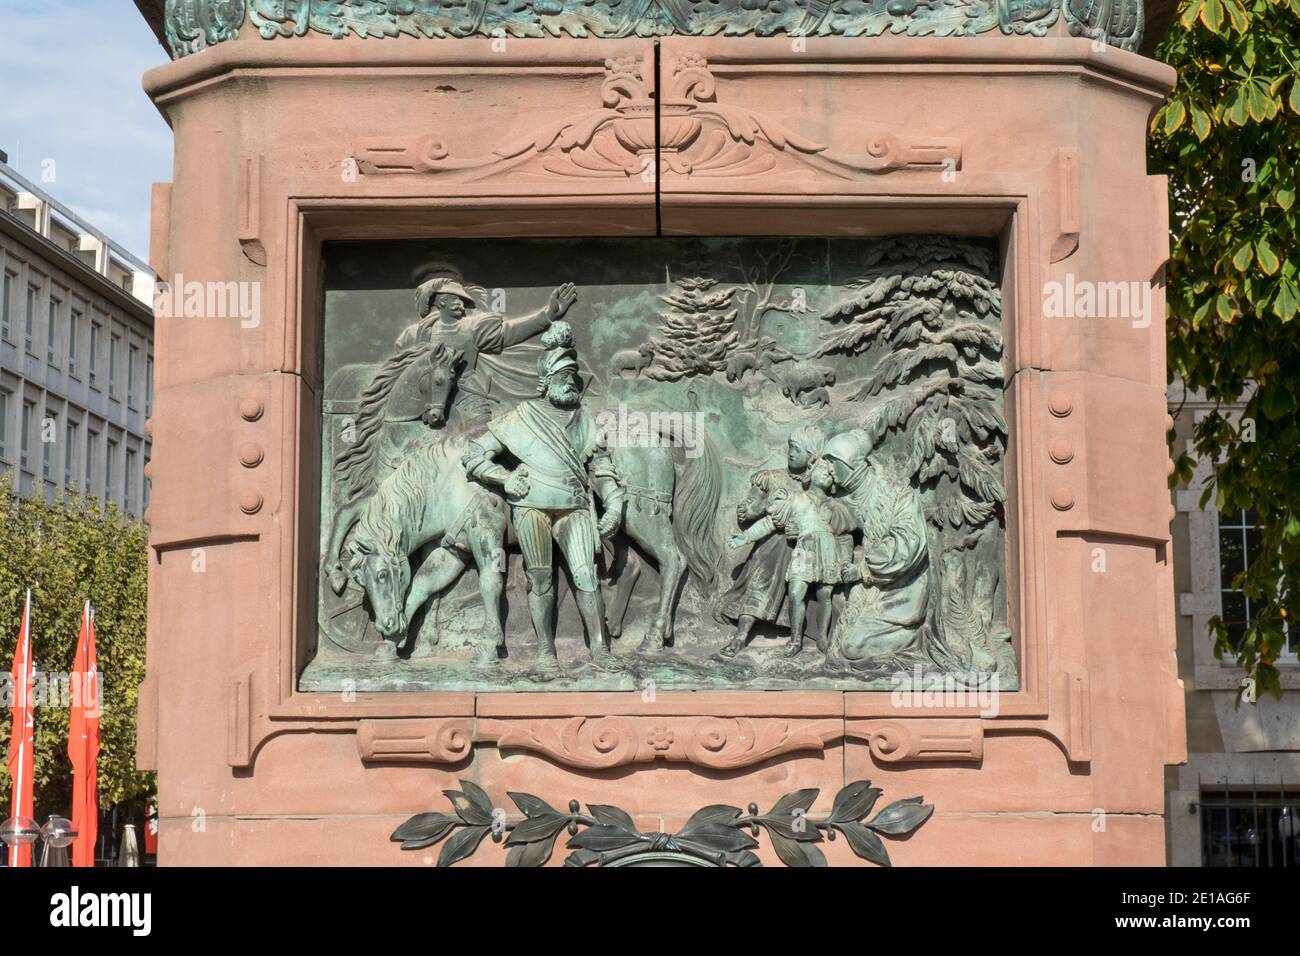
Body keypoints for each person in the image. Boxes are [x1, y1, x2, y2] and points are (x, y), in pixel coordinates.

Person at [462, 323, 627, 674]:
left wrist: (614, 504)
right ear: (546, 379)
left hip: (575, 507)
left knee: (586, 576)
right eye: (563, 375)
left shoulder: (585, 420)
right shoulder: (522, 417)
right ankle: (544, 652)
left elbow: (602, 467)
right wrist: (505, 478)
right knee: (540, 580)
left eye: (574, 376)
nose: (570, 381)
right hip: (532, 507)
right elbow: (474, 455)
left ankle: (600, 649)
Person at [397, 272, 579, 423]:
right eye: (455, 299)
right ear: (441, 301)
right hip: (422, 398)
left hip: (466, 395)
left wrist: (547, 315)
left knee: (480, 435)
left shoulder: (472, 328)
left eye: (462, 300)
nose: (461, 304)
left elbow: (508, 333)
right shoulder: (412, 335)